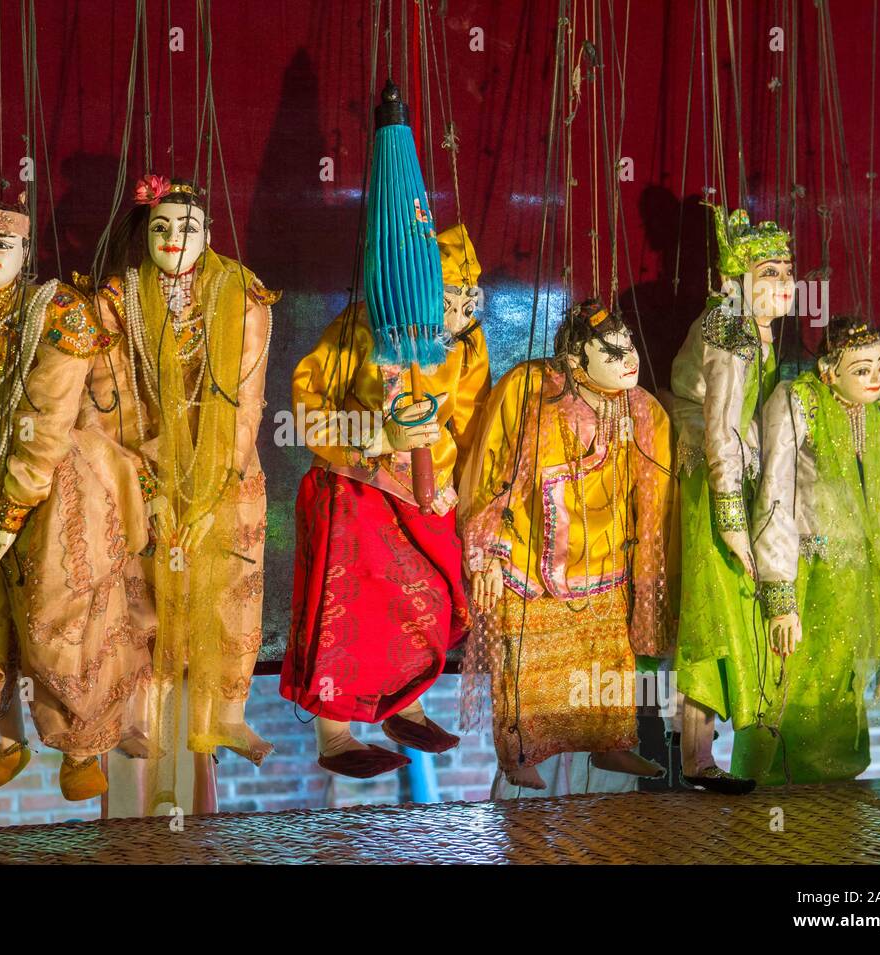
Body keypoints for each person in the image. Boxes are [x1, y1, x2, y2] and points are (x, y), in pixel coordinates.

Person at [0, 193, 151, 802]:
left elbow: (47, 418)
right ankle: (5, 735)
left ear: (26, 249)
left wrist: (10, 512)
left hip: (52, 484)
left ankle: (84, 742)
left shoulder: (58, 311)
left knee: (63, 613)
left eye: (1, 244)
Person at [91, 175, 277, 812]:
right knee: (140, 602)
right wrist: (150, 485)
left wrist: (209, 493)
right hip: (141, 472)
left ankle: (227, 710)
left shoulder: (240, 294)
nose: (173, 239)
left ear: (209, 235)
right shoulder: (120, 298)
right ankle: (136, 714)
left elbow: (245, 402)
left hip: (224, 471)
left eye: (188, 228)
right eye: (161, 227)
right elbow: (109, 400)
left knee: (226, 593)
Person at [280, 224, 489, 778]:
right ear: (419, 289)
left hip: (424, 491)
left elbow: (466, 424)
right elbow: (308, 409)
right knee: (347, 610)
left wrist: (459, 491)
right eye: (450, 296)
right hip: (354, 487)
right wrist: (378, 440)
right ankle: (334, 733)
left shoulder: (466, 345)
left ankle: (405, 706)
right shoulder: (359, 330)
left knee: (425, 602)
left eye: (472, 298)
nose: (463, 309)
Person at [460, 300, 674, 789]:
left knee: (605, 661)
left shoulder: (642, 410)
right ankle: (517, 752)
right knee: (524, 666)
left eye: (629, 347)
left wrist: (648, 580)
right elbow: (492, 469)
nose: (629, 360)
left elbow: (655, 501)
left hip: (604, 559)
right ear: (577, 359)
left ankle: (612, 744)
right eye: (612, 351)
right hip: (528, 552)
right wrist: (486, 551)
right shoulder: (529, 387)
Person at [749, 317, 880, 783]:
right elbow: (774, 493)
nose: (875, 377)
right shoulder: (797, 402)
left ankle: (834, 814)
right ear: (828, 372)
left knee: (843, 688)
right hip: (806, 570)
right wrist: (780, 591)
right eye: (861, 369)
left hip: (860, 574)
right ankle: (775, 809)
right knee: (792, 686)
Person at [668, 204, 794, 793]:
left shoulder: (755, 329)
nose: (783, 283)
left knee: (734, 613)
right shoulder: (729, 324)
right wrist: (731, 520)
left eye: (787, 271)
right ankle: (695, 760)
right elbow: (719, 426)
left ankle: (713, 752)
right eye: (768, 272)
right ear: (738, 281)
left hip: (737, 477)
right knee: (711, 616)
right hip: (708, 479)